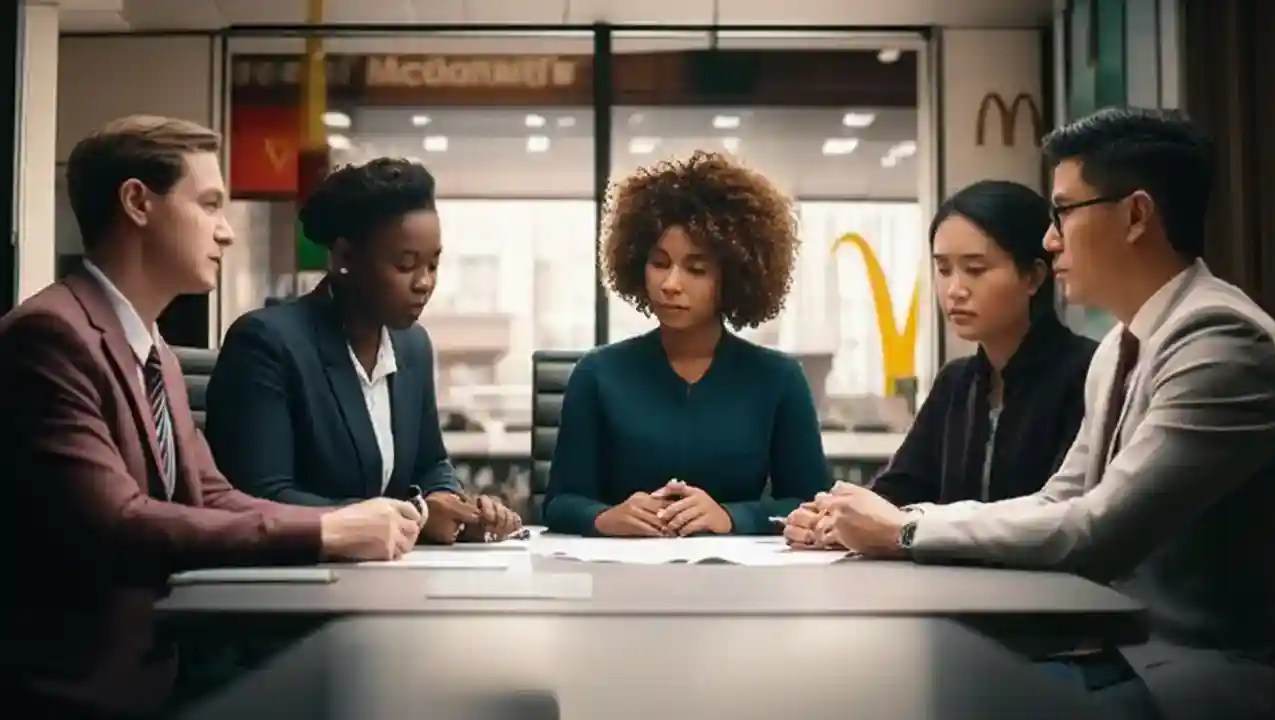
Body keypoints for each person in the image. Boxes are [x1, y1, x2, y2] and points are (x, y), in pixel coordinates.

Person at [802, 108, 1275, 719]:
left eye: (1064, 212)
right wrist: (900, 517)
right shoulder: (1122, 344)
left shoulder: (1220, 338)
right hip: (1115, 648)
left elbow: (1098, 531)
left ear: (1136, 215)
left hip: (1197, 668)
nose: (1051, 238)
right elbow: (1060, 498)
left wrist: (903, 531)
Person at [0, 116, 425, 717]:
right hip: (83, 692)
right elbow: (118, 523)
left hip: (165, 672)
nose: (226, 233)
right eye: (208, 205)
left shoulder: (152, 350)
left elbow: (212, 494)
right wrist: (326, 533)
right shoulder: (51, 336)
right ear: (136, 203)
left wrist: (346, 521)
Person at [205, 158, 522, 545]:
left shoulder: (413, 346)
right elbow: (262, 497)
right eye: (406, 265)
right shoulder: (267, 343)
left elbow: (430, 463)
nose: (424, 283)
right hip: (294, 582)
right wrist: (418, 517)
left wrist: (454, 504)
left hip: (386, 578)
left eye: (433, 264)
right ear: (345, 258)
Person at [784, 180, 1097, 548]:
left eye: (975, 269)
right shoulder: (957, 382)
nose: (955, 289)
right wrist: (835, 518)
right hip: (950, 588)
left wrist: (895, 526)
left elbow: (1056, 517)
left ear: (1033, 277)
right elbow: (897, 490)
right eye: (944, 269)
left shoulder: (1087, 373)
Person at [542, 150, 830, 537]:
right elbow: (559, 503)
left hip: (738, 584)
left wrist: (730, 517)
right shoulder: (597, 374)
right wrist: (603, 518)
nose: (671, 283)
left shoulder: (778, 379)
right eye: (659, 263)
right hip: (619, 580)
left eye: (696, 269)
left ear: (733, 277)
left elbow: (812, 504)